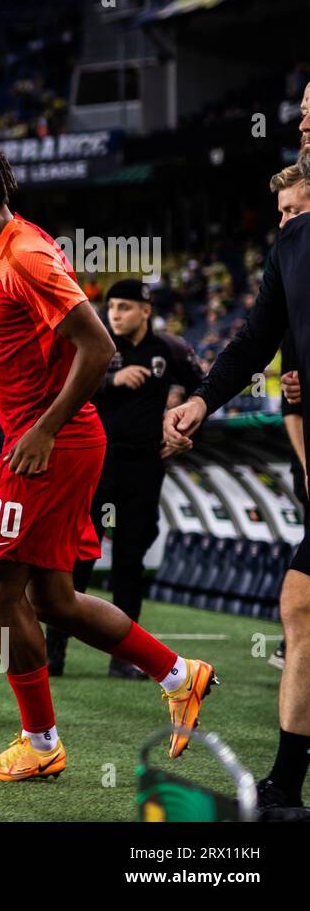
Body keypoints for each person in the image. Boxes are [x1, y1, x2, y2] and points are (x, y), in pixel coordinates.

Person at [0, 138, 216, 782]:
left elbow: (98, 346)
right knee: (53, 598)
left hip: (54, 447)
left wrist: (43, 430)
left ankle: (41, 743)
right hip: (40, 436)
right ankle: (178, 674)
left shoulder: (23, 253)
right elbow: (37, 350)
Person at [164, 82, 310, 815]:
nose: (304, 120)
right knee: (300, 603)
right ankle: (284, 786)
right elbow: (255, 339)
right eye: (303, 109)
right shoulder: (292, 243)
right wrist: (200, 400)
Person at [48, 279, 204, 680]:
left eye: (125, 307)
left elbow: (204, 390)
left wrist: (183, 432)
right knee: (78, 558)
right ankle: (54, 652)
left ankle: (125, 658)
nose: (115, 315)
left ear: (145, 311)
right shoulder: (96, 344)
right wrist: (109, 381)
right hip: (94, 467)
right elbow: (61, 386)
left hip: (143, 468)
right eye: (112, 307)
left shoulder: (170, 350)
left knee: (130, 561)